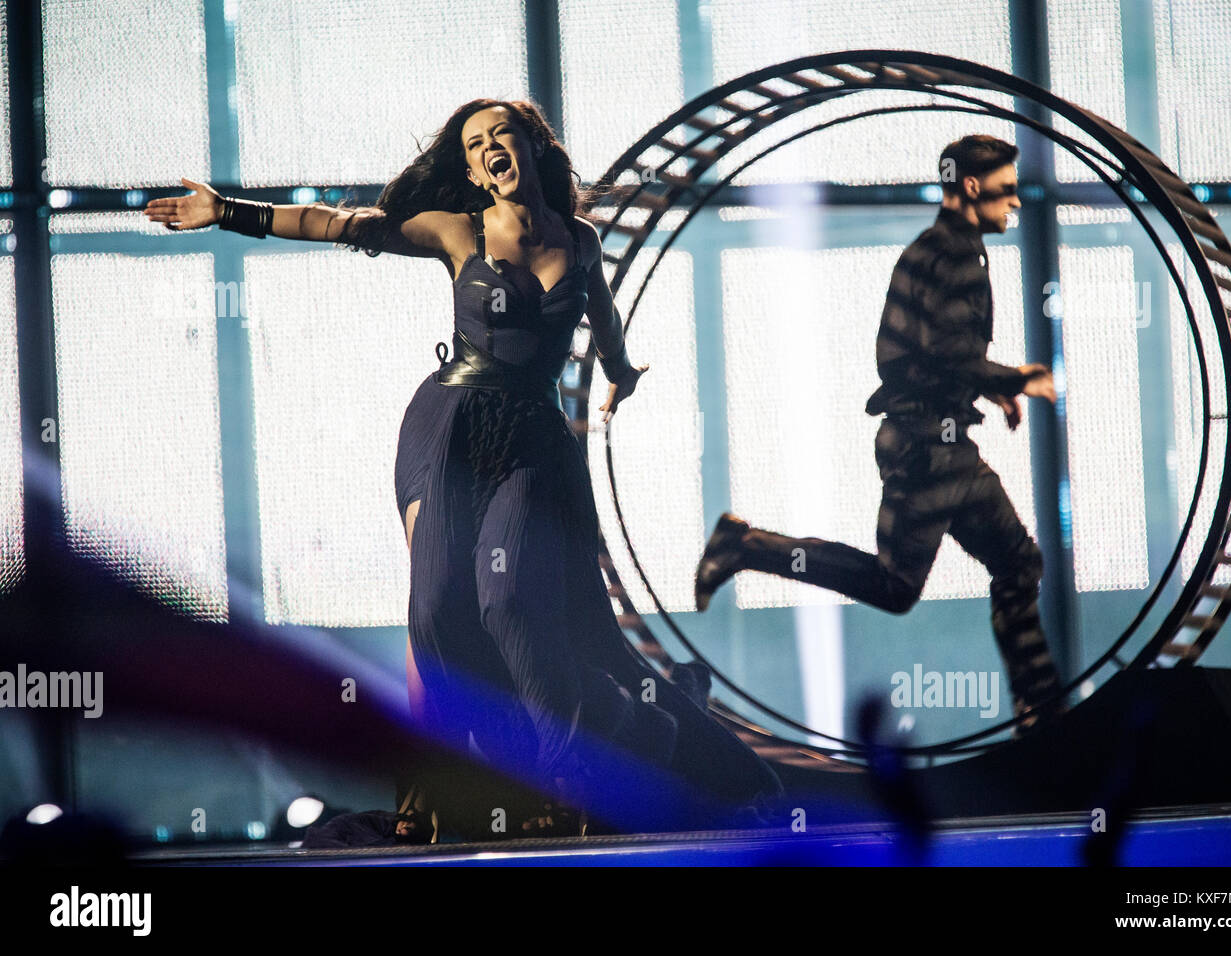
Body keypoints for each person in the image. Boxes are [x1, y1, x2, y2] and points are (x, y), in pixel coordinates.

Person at [144, 98, 782, 832]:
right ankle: (460, 781)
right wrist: (227, 210)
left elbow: (603, 324)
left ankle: (561, 778)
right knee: (440, 603)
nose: (487, 151)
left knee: (510, 602)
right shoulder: (460, 231)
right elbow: (337, 223)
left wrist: (623, 372)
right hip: (452, 424)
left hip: (535, 438)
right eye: (474, 146)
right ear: (472, 168)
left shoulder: (581, 241)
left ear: (531, 145)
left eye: (499, 136)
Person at [694, 134, 1067, 734]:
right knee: (905, 585)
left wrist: (986, 386)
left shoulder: (937, 249)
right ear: (972, 187)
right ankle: (746, 546)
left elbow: (921, 354)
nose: (1017, 202)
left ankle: (1041, 711)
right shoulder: (955, 257)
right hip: (929, 451)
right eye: (1007, 187)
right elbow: (945, 352)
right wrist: (1016, 378)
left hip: (938, 446)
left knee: (1017, 563)